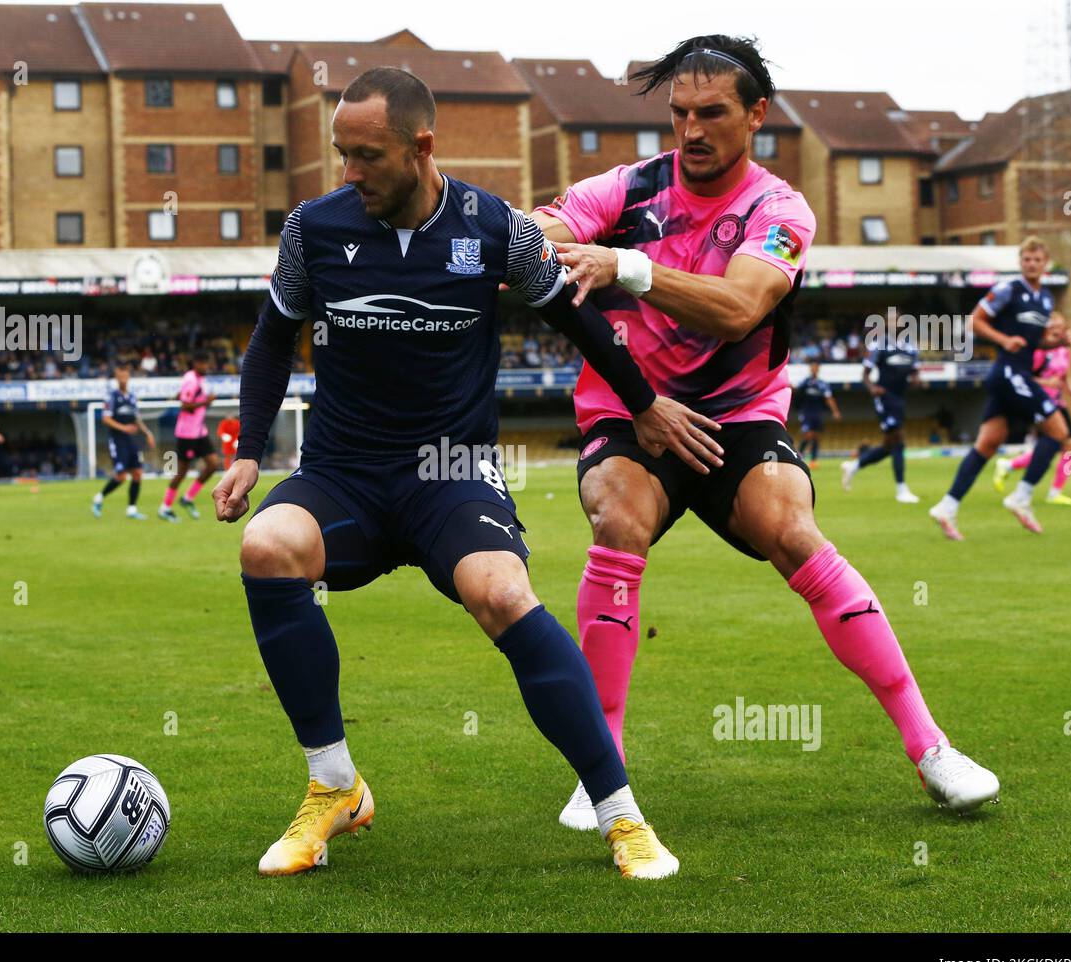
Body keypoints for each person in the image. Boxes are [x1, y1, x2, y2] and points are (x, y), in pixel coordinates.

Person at [212, 67, 719, 880]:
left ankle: (622, 817)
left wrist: (646, 405)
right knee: (268, 545)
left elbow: (577, 320)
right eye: (341, 153)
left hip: (453, 475)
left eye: (367, 155)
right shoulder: (312, 228)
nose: (350, 172)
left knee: (504, 593)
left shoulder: (497, 229)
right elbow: (274, 340)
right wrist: (247, 451)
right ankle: (333, 784)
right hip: (342, 473)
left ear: (421, 148)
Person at [532, 34, 999, 828]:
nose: (690, 131)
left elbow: (741, 306)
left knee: (790, 525)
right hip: (632, 409)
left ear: (757, 115)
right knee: (618, 512)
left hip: (738, 416)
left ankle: (931, 749)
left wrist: (625, 268)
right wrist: (533, 230)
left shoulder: (778, 210)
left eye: (711, 113)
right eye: (678, 114)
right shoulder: (624, 186)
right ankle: (601, 768)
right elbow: (540, 234)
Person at [929, 237, 1071, 538]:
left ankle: (947, 506)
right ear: (1020, 262)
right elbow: (975, 321)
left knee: (987, 445)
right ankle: (1021, 497)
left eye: (1037, 259)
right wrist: (1004, 340)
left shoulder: (1045, 298)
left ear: (1045, 263)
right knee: (1059, 434)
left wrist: (1056, 342)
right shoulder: (1008, 290)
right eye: (1026, 259)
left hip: (1016, 374)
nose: (1031, 264)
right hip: (1008, 372)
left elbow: (1034, 342)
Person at [993, 312, 1071, 505]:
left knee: (1069, 447)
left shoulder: (1064, 350)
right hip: (1039, 402)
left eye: (1060, 327)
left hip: (1058, 403)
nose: (1057, 330)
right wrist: (1046, 382)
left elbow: (1065, 375)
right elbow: (1025, 377)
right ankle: (1014, 469)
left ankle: (1013, 468)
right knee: (1057, 445)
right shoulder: (1040, 351)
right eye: (1053, 326)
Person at [841, 331, 921, 503]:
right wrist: (872, 388)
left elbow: (915, 372)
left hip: (899, 399)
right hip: (884, 398)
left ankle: (854, 465)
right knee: (898, 440)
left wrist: (915, 379)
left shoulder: (911, 347)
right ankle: (901, 489)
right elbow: (865, 374)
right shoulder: (878, 345)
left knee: (889, 446)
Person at [159, 352, 219, 522]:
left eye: (208, 364)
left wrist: (203, 401)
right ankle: (165, 507)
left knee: (213, 464)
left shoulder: (200, 380)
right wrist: (206, 402)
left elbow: (185, 396)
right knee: (182, 472)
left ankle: (187, 498)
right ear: (196, 363)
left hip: (199, 431)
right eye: (203, 364)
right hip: (187, 433)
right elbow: (185, 406)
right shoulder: (190, 379)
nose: (206, 367)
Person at [93, 362, 155, 520]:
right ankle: (99, 498)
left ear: (128, 377)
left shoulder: (132, 397)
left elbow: (136, 417)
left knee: (137, 473)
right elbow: (106, 419)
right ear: (116, 377)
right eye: (120, 376)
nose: (123, 378)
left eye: (125, 375)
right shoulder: (111, 396)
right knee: (121, 476)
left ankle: (132, 509)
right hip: (117, 439)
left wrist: (147, 432)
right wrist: (123, 428)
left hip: (130, 439)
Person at [792, 358, 840, 468]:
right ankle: (798, 456)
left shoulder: (822, 384)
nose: (814, 369)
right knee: (808, 435)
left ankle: (813, 460)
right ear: (810, 369)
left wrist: (835, 411)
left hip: (817, 413)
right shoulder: (805, 382)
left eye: (816, 367)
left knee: (816, 437)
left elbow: (829, 398)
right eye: (812, 367)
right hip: (806, 412)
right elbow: (797, 391)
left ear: (818, 369)